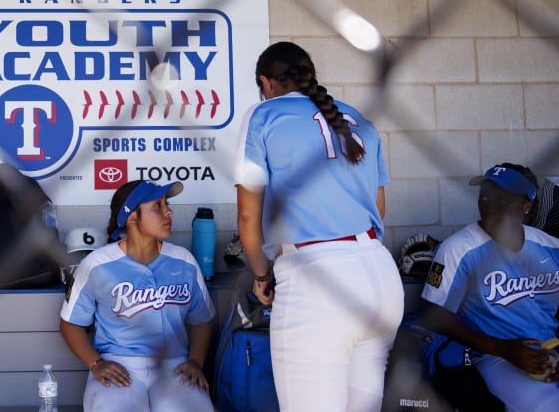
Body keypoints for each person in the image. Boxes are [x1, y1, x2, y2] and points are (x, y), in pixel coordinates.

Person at [233, 41, 403, 412]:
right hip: (380, 274)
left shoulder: (263, 113)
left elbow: (247, 215)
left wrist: (261, 275)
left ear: (266, 82)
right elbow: (379, 208)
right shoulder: (357, 117)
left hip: (318, 280)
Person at [59, 180, 215, 412]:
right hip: (119, 365)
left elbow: (202, 319)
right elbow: (70, 323)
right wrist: (96, 363)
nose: (168, 212)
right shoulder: (97, 264)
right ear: (132, 217)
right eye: (157, 206)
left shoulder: (183, 260)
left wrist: (195, 361)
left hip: (175, 366)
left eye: (167, 204)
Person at [421, 163, 559, 411]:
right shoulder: (459, 249)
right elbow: (434, 315)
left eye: (503, 200)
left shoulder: (550, 247)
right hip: (493, 356)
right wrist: (504, 349)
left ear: (527, 205)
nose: (489, 206)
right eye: (485, 196)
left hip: (549, 352)